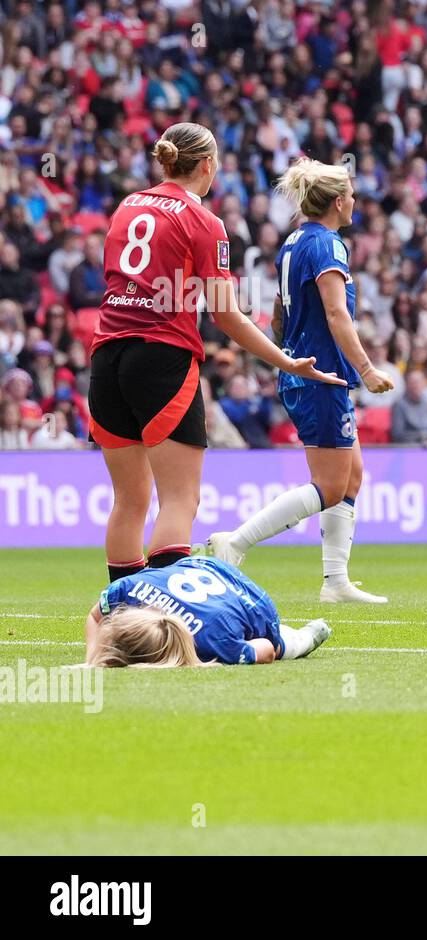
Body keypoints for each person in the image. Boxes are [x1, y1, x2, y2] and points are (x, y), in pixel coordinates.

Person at [89, 123, 342, 584]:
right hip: (162, 357)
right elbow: (226, 316)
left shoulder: (127, 206)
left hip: (107, 355)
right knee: (180, 500)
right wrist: (284, 360)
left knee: (129, 501)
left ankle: (122, 617)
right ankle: (165, 619)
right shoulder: (205, 222)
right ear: (207, 165)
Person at [196, 158, 395, 604]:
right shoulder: (328, 244)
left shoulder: (294, 241)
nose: (355, 204)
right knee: (328, 487)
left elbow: (283, 312)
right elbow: (335, 312)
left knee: (352, 478)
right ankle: (236, 543)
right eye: (352, 196)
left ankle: (336, 582)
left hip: (307, 369)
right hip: (321, 373)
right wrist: (366, 368)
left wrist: (288, 359)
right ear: (339, 201)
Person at [84, 555, 332, 667]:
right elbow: (95, 617)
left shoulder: (214, 642)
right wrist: (93, 658)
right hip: (202, 563)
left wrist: (92, 660)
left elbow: (265, 650)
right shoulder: (125, 587)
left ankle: (306, 637)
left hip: (253, 602)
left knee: (274, 645)